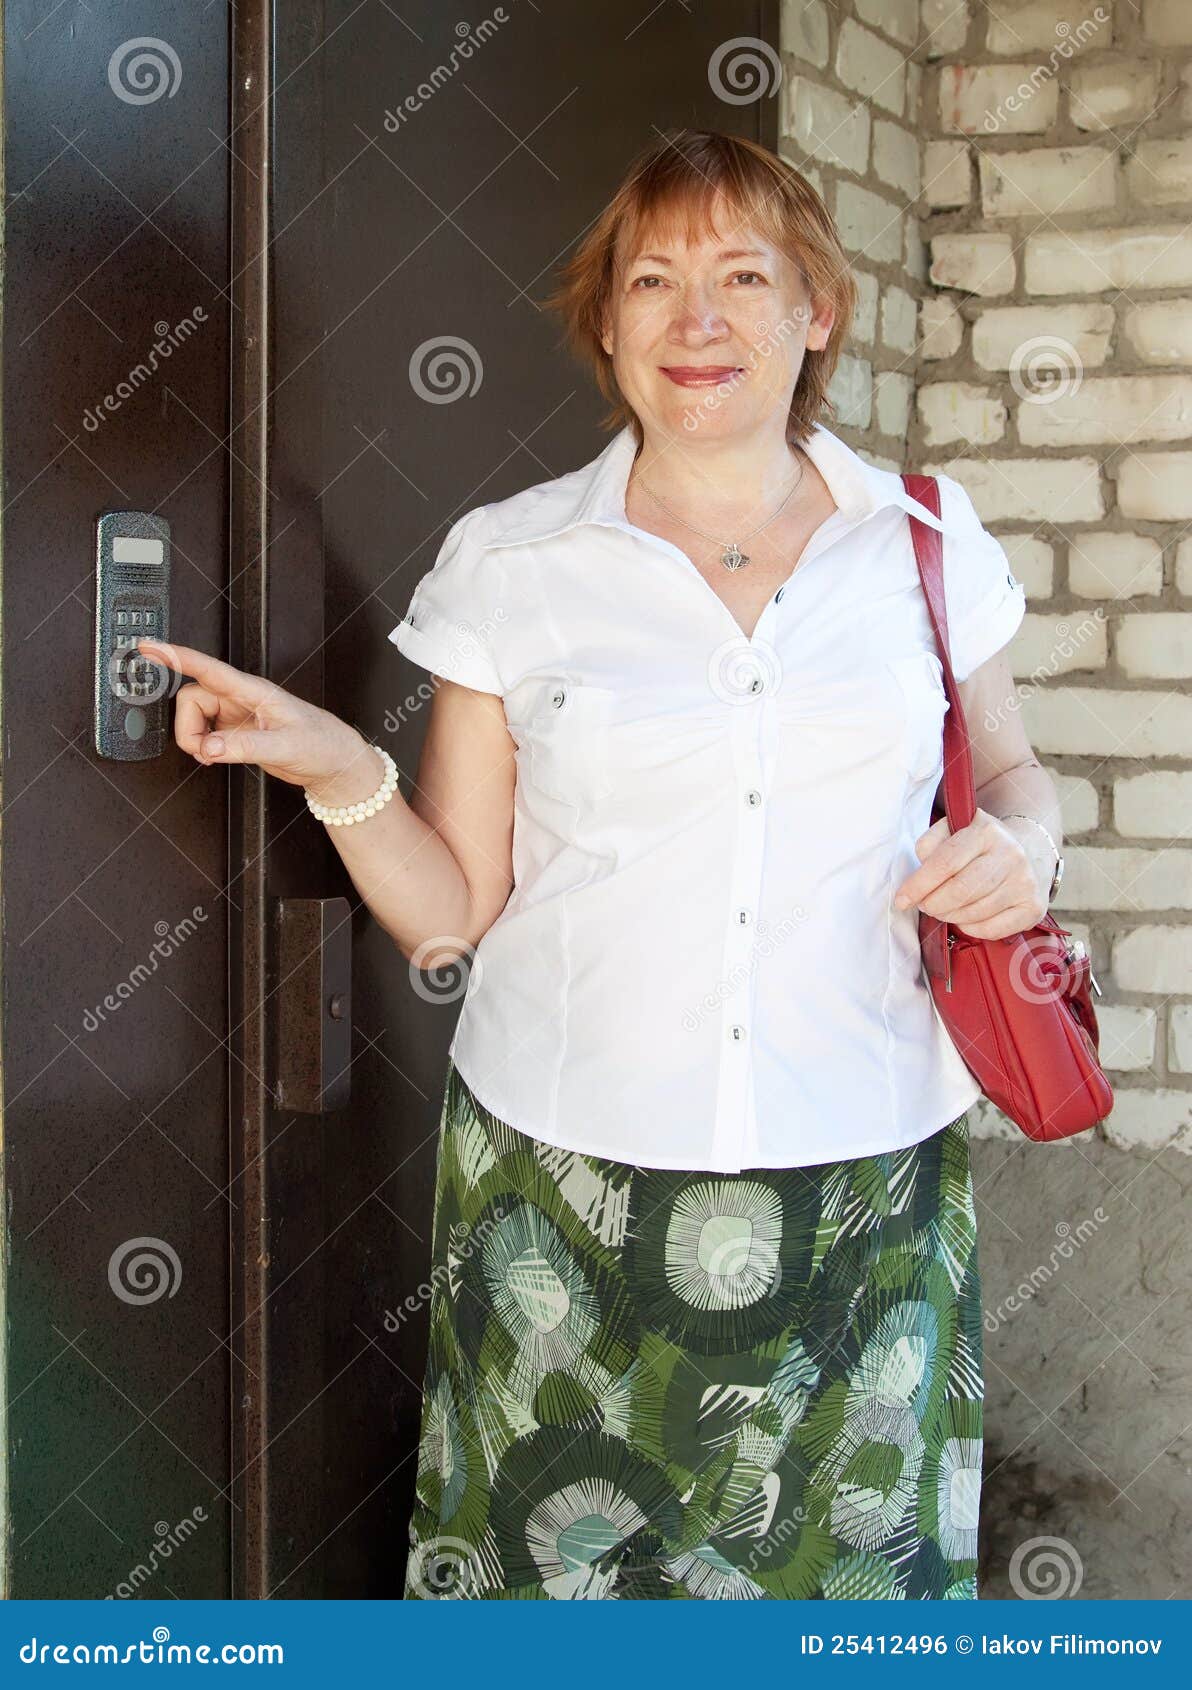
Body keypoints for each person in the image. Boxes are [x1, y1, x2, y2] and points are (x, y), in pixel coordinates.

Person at [138, 129, 1061, 1601]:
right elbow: (458, 902)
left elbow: (1012, 772)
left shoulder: (927, 544)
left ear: (815, 312)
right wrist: (339, 769)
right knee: (566, 1596)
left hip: (867, 1188)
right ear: (610, 323)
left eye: (744, 276)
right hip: (566, 1202)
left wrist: (1022, 848)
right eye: (656, 280)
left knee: (850, 1592)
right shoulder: (514, 561)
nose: (700, 320)